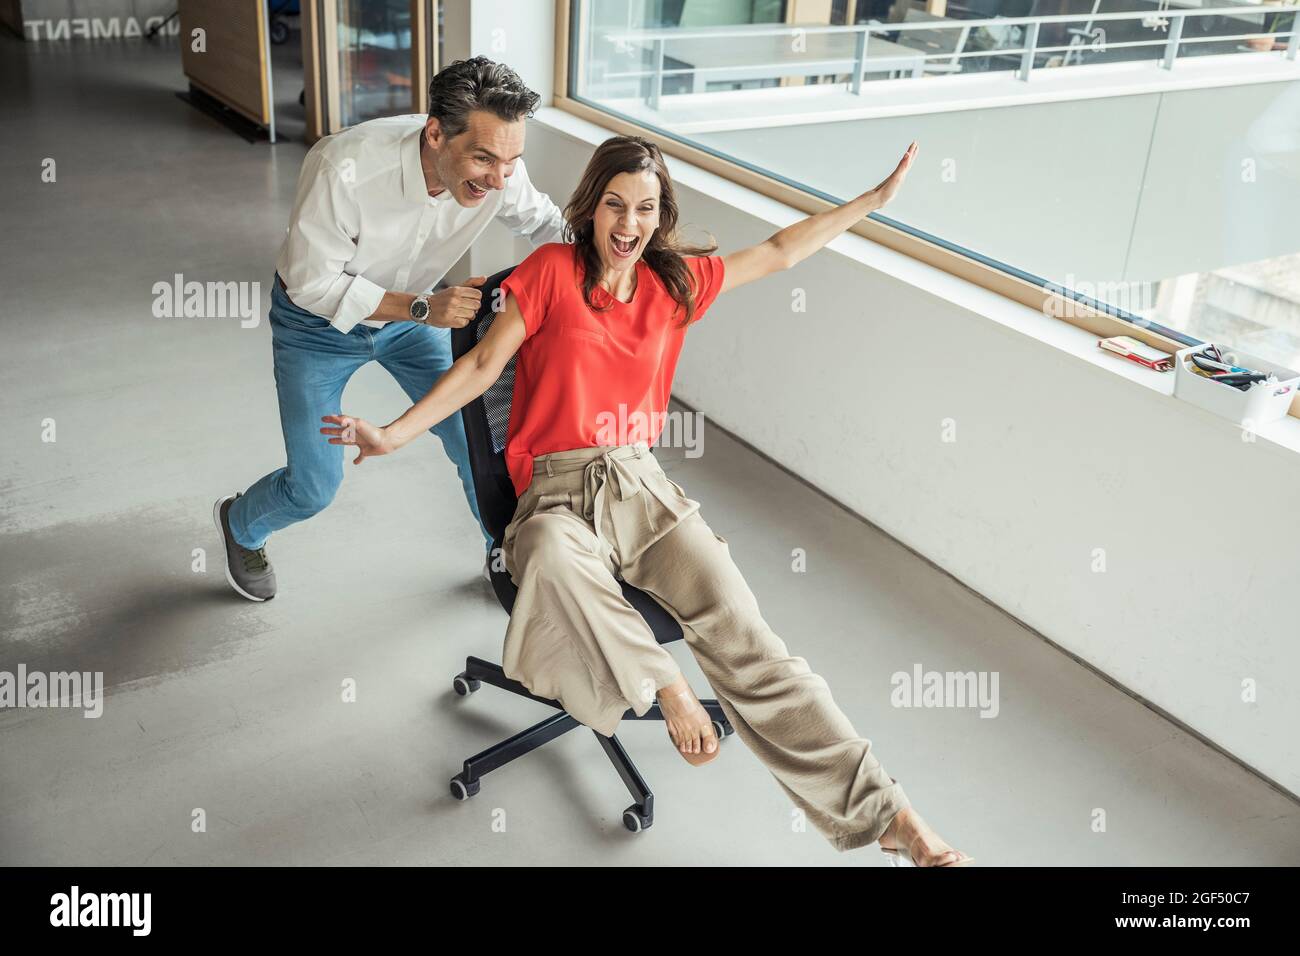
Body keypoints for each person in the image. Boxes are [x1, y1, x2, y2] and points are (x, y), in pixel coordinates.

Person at [321, 135, 972, 866]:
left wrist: (874, 203)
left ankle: (896, 820)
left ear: (661, 218)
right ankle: (666, 685)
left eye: (645, 210)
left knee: (754, 646)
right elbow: (480, 363)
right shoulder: (549, 272)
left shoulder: (675, 285)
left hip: (645, 490)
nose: (628, 225)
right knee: (547, 558)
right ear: (592, 208)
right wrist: (396, 433)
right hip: (556, 495)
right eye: (615, 206)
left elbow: (783, 251)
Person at [213, 56, 567, 602]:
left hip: (411, 320)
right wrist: (425, 309)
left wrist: (620, 247)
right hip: (317, 326)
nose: (500, 179)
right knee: (314, 487)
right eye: (484, 160)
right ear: (434, 134)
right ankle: (240, 524)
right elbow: (312, 284)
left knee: (479, 444)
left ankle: (507, 555)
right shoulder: (343, 168)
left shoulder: (499, 170)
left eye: (510, 161)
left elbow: (545, 224)